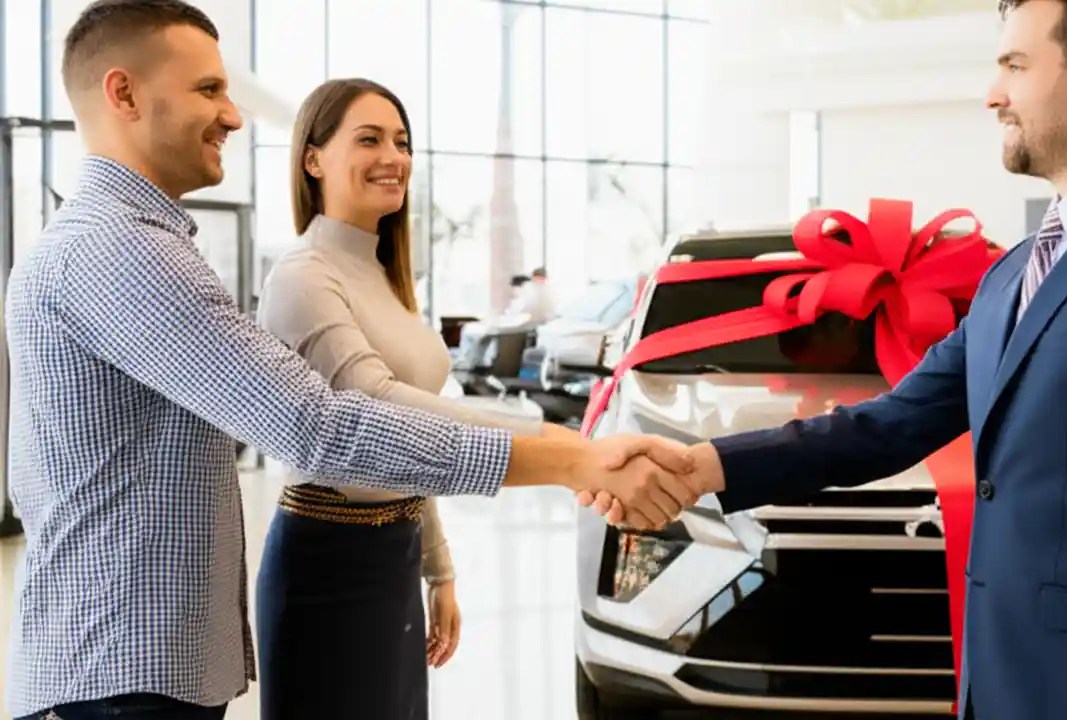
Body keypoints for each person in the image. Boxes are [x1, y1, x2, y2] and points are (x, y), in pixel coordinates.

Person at [584, 1, 1067, 718]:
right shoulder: (1015, 272)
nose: (992, 93)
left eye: (1015, 65)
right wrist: (701, 466)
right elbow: (890, 425)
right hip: (1001, 687)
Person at [2, 2, 694, 719]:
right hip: (116, 676)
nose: (233, 116)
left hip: (136, 666)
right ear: (123, 93)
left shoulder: (133, 245)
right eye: (209, 90)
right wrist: (570, 458)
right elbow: (322, 427)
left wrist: (449, 552)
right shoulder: (121, 252)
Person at [252, 78, 576, 719]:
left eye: (401, 141)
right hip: (326, 565)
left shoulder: (383, 273)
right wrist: (548, 446)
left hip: (393, 557)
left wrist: (438, 567)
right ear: (313, 159)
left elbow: (407, 448)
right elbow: (380, 406)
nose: (393, 157)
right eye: (368, 138)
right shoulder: (302, 276)